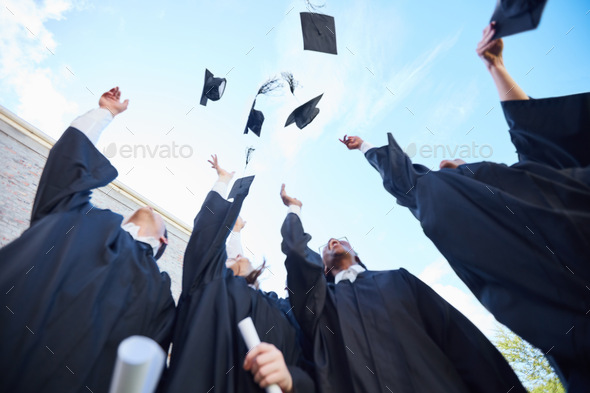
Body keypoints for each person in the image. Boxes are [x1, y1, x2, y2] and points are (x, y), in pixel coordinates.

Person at [339, 23, 590, 392]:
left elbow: (535, 137)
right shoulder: (478, 209)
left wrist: (496, 68)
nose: (444, 165)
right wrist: (368, 148)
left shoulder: (531, 180)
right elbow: (414, 184)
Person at [0, 87, 175, 393]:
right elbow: (66, 168)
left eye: (158, 214)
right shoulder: (81, 216)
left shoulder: (159, 292)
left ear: (164, 241)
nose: (150, 207)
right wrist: (105, 113)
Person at [279, 185, 526, 393]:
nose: (333, 241)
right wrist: (294, 208)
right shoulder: (321, 305)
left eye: (340, 239)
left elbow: (462, 342)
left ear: (357, 253)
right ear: (320, 269)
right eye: (326, 245)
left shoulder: (398, 281)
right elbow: (298, 257)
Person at [160, 156, 315, 393]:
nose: (238, 256)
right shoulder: (209, 283)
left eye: (238, 256)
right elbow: (209, 233)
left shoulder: (285, 311)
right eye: (229, 259)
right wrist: (223, 181)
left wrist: (291, 379)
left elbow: (310, 374)